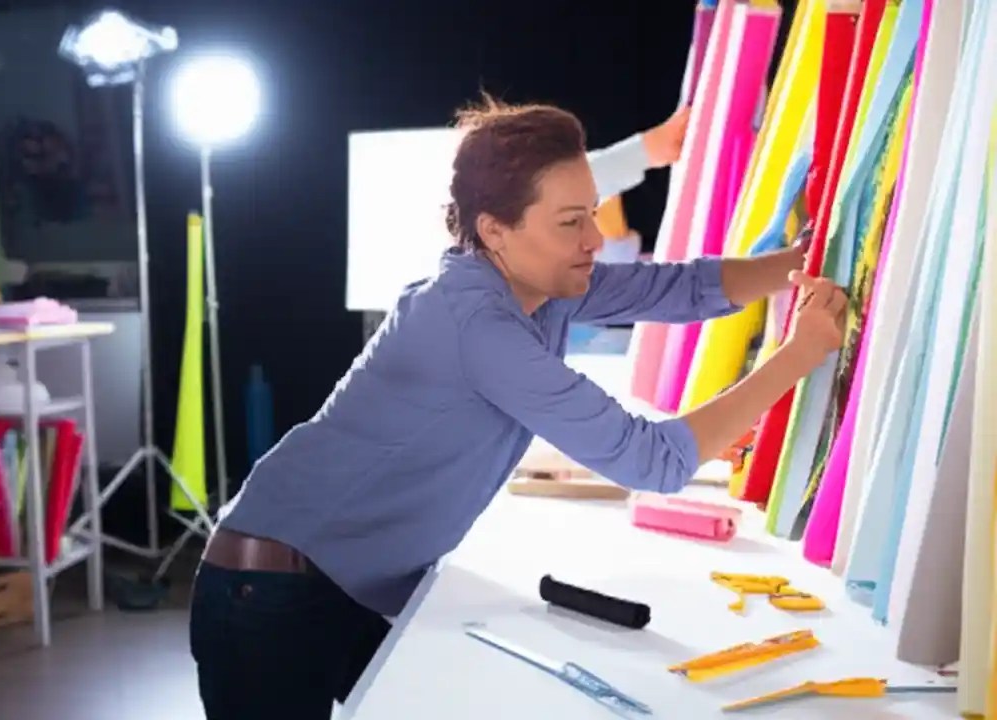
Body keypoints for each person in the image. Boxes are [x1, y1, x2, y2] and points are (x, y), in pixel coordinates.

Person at [188, 96, 847, 719]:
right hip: (269, 594)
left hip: (337, 586)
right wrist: (798, 354)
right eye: (570, 222)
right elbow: (652, 458)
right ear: (494, 230)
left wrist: (793, 265)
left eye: (592, 212)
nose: (594, 237)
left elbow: (676, 287)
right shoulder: (477, 322)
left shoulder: (540, 284)